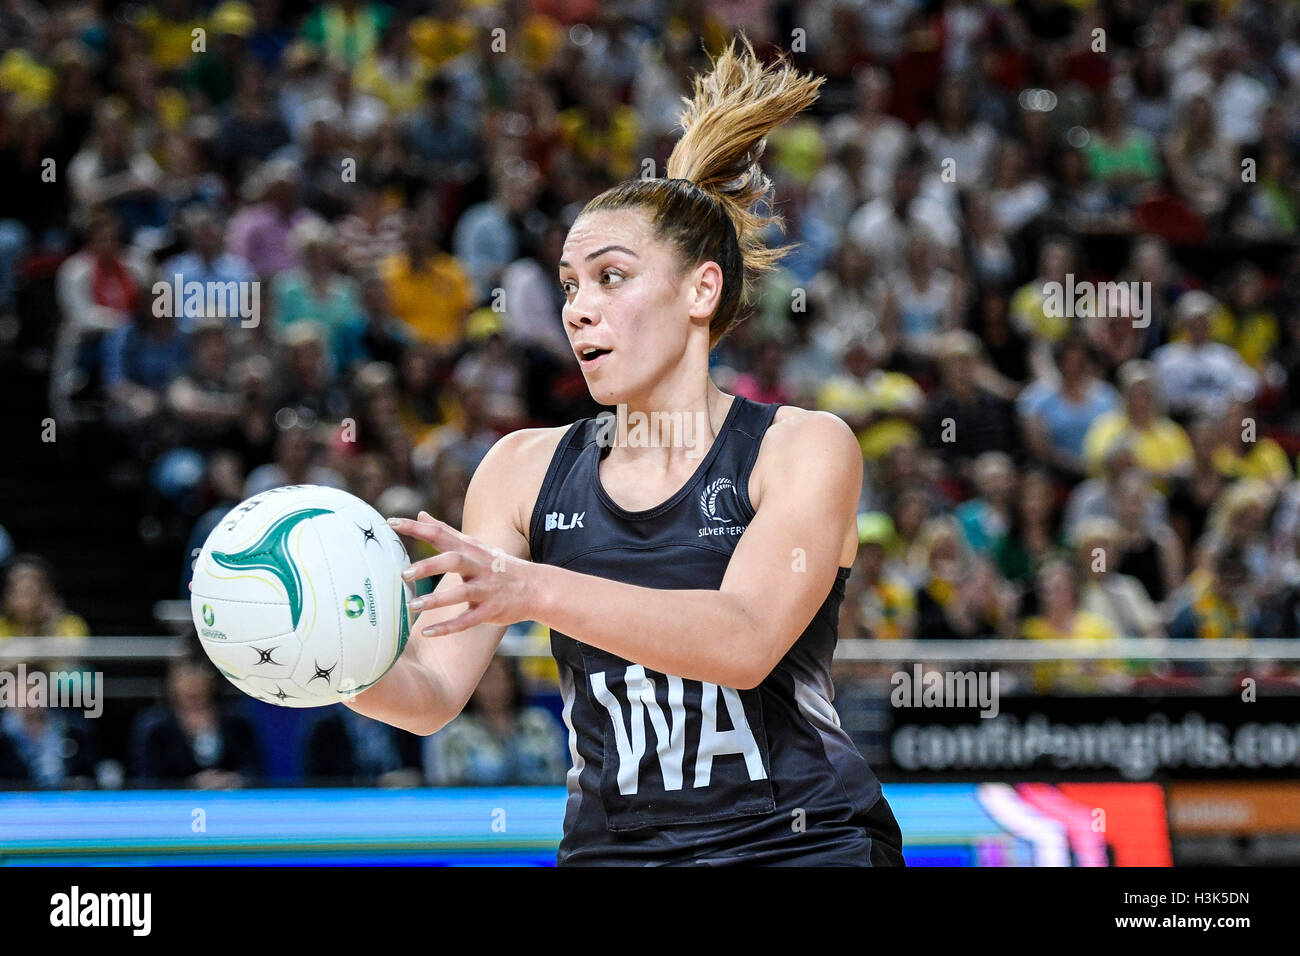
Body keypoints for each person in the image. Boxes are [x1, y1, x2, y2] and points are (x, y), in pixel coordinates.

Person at [345, 37, 905, 867]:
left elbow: (744, 643)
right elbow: (429, 695)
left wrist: (531, 587)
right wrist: (321, 659)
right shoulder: (519, 469)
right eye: (569, 284)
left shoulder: (802, 447)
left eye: (610, 277)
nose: (576, 310)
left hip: (800, 848)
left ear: (700, 291)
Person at [127, 642, 263, 788]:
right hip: (172, 805)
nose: (192, 683)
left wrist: (233, 780)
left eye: (198, 673)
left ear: (213, 680)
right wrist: (188, 785)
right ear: (170, 682)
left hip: (230, 801)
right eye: (185, 675)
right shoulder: (154, 727)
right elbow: (145, 778)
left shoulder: (237, 721)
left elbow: (255, 770)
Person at [423, 653, 567, 786]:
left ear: (513, 681)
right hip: (472, 809)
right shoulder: (453, 731)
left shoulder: (539, 723)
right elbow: (442, 785)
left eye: (502, 677)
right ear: (472, 684)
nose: (496, 686)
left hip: (538, 807)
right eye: (487, 680)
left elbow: (558, 773)